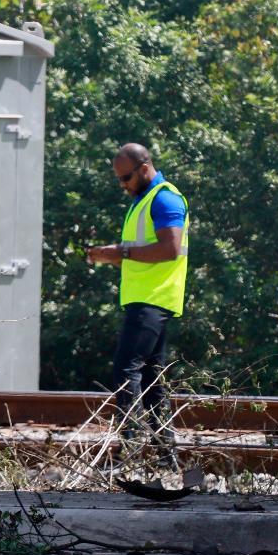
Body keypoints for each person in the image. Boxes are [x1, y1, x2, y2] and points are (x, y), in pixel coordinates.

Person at [83, 143, 188, 454]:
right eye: (118, 179)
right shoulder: (142, 200)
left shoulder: (165, 198)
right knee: (153, 379)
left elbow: (170, 249)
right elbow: (140, 255)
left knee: (126, 369)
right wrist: (111, 256)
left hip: (152, 299)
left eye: (126, 177)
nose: (122, 185)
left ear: (144, 169)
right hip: (148, 298)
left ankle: (130, 446)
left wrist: (122, 252)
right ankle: (164, 455)